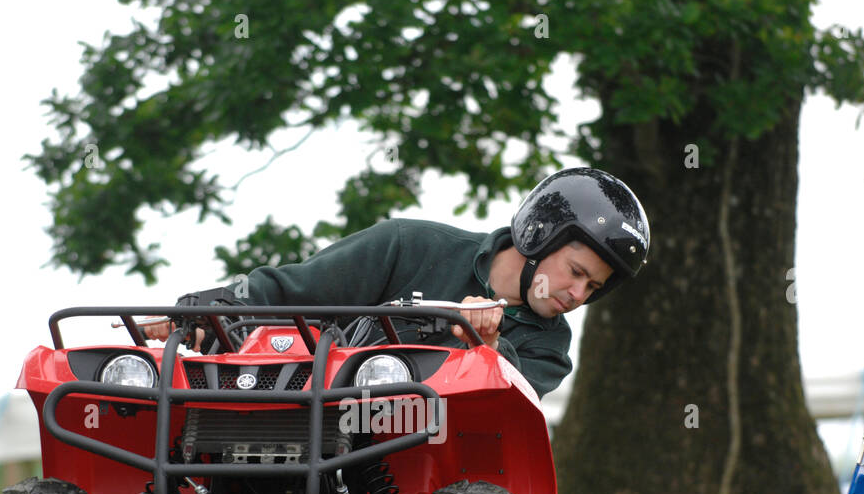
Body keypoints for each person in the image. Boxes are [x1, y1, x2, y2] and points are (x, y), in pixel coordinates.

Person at [144, 167, 650, 399]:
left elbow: (509, 414)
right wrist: (208, 314)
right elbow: (290, 292)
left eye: (593, 288)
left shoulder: (551, 349)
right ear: (539, 233)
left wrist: (488, 349)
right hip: (305, 423)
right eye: (577, 272)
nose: (578, 296)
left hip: (432, 485)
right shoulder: (408, 245)